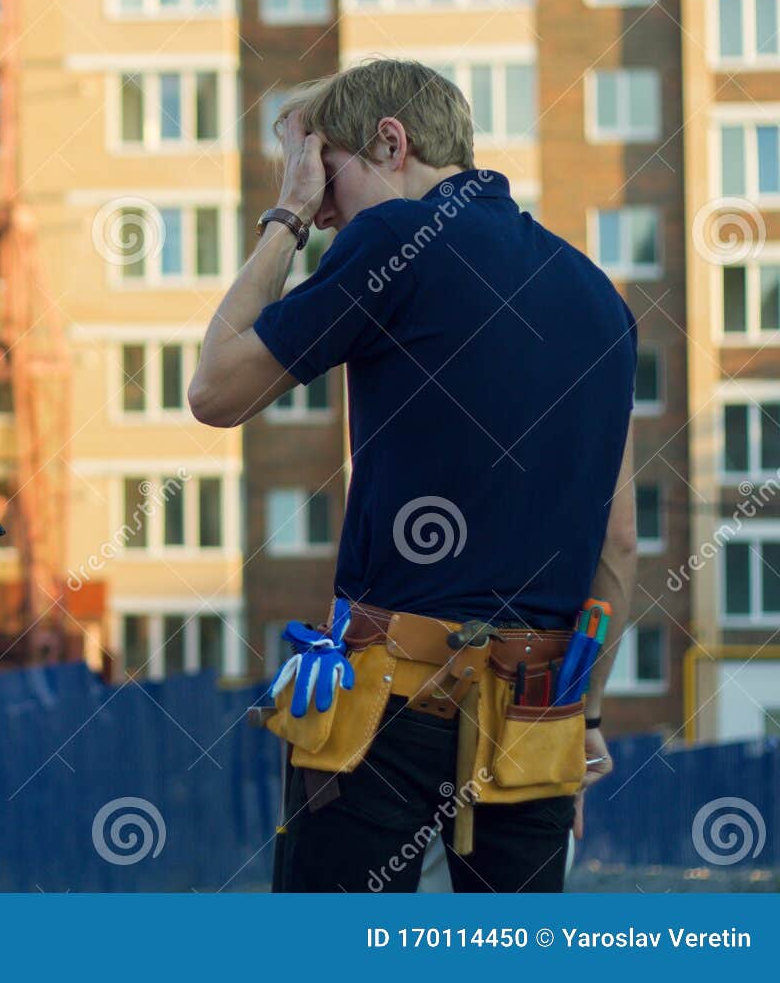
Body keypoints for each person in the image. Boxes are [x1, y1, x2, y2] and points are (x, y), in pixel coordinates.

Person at [189, 59, 637, 892]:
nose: (329, 217)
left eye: (333, 184)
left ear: (391, 143)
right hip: (537, 712)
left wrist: (283, 215)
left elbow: (215, 390)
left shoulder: (395, 240)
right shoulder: (598, 295)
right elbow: (617, 542)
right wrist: (590, 713)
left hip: (386, 711)